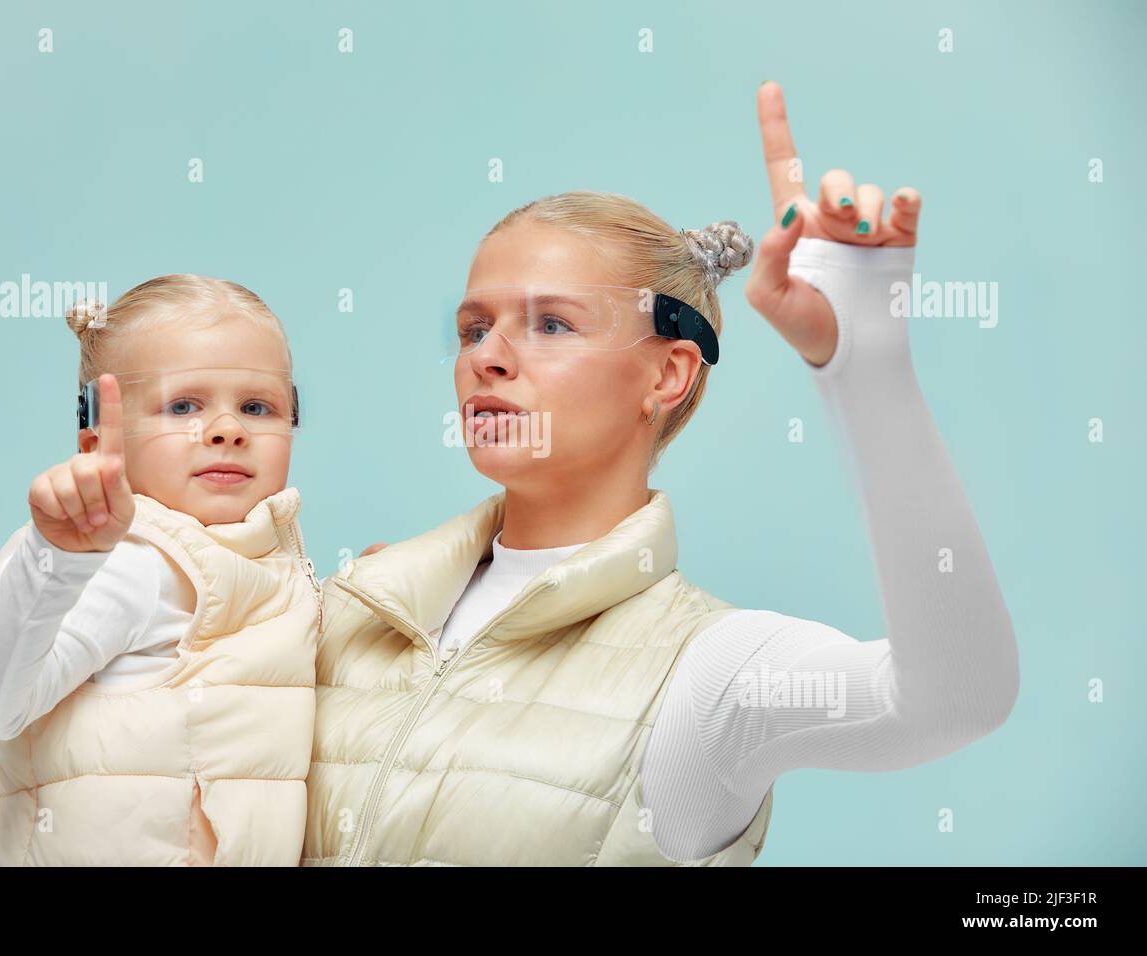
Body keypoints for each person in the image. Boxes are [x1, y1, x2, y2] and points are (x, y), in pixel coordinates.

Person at [301, 81, 1019, 865]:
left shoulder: (709, 674)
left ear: (667, 375)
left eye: (550, 323)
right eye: (475, 327)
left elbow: (956, 699)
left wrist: (865, 364)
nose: (487, 357)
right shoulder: (359, 607)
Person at [0, 275, 322, 865]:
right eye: (183, 405)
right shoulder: (131, 563)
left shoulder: (266, 561)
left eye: (256, 406)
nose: (228, 429)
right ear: (96, 439)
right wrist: (58, 560)